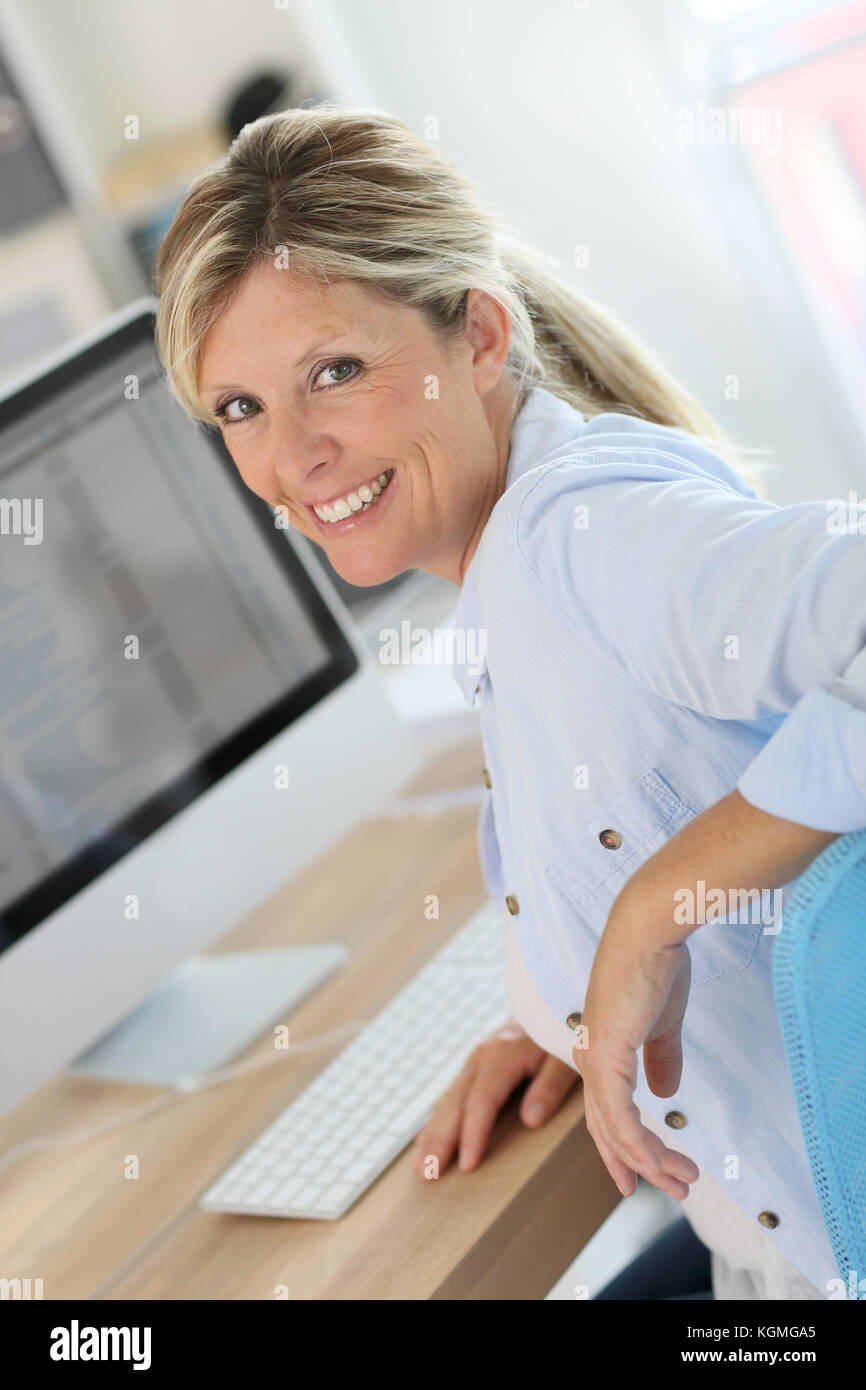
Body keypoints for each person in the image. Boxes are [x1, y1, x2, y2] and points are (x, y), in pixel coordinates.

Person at [152, 104, 866, 1300]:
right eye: (240, 409)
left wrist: (645, 915)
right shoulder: (518, 566)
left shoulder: (579, 541)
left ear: (477, 336)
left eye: (334, 372)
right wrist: (554, 1005)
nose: (294, 455)